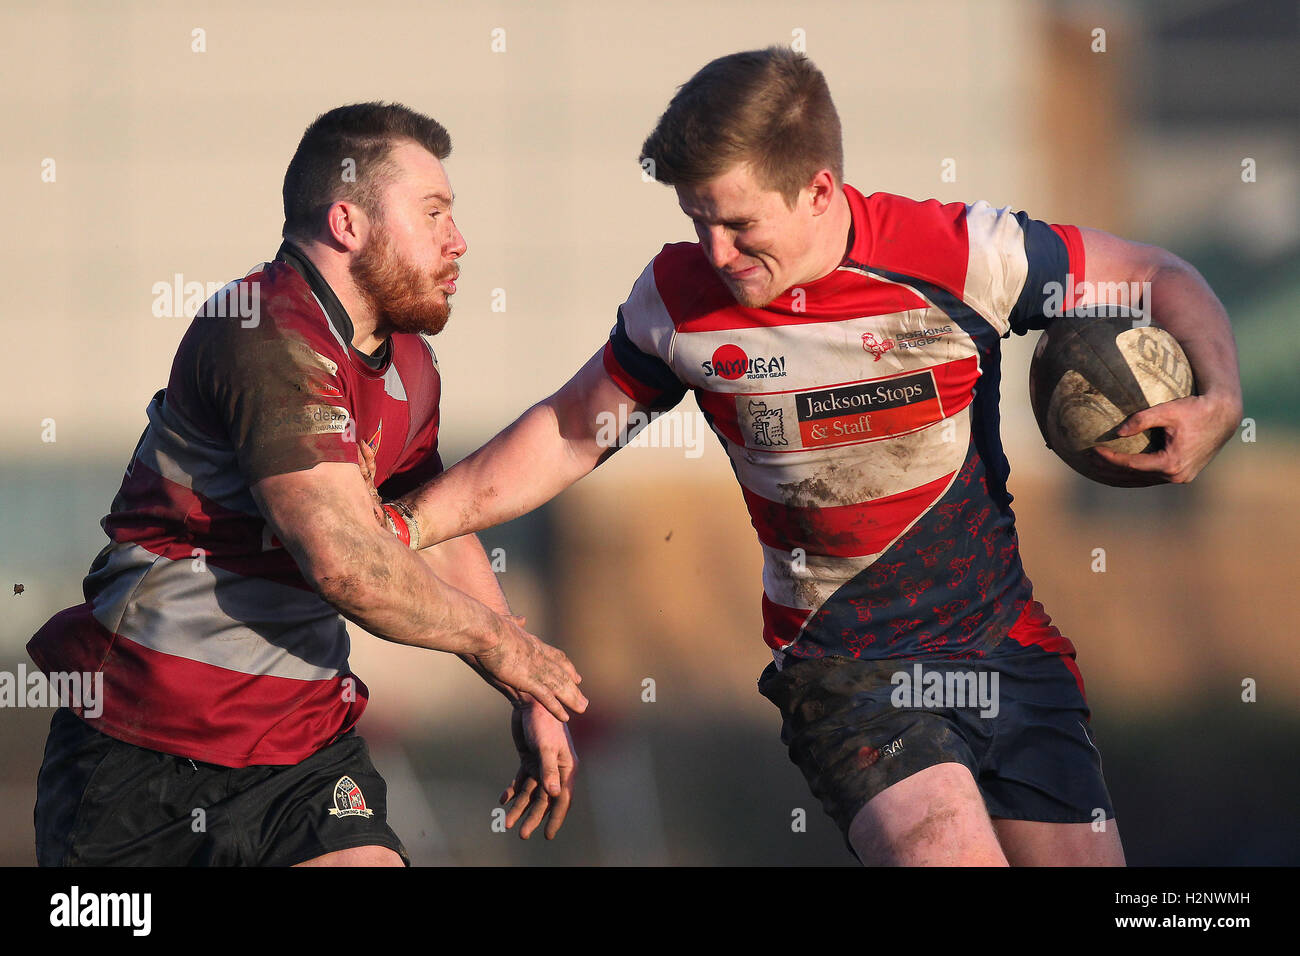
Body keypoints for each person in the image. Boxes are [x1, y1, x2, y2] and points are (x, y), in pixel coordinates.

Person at [377, 50, 1243, 865]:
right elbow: (571, 430)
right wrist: (402, 525)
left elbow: (1159, 276)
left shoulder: (962, 256)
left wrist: (1222, 400)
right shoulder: (677, 302)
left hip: (1006, 649)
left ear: (819, 188)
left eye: (738, 223)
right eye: (697, 221)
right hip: (847, 668)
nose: (716, 251)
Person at [27, 102, 586, 867]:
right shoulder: (262, 328)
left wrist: (527, 686)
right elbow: (349, 562)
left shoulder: (409, 364)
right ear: (348, 222)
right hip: (146, 750)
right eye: (432, 214)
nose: (458, 243)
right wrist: (501, 647)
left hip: (303, 756)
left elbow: (429, 529)